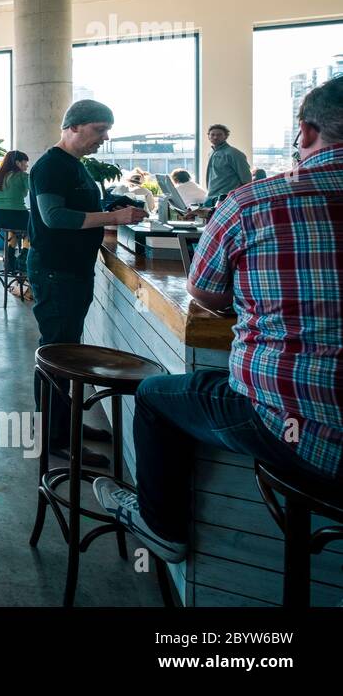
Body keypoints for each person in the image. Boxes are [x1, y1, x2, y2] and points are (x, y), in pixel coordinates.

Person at [94, 77, 343, 563]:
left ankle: (161, 527)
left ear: (307, 132)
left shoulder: (256, 201)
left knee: (156, 395)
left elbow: (204, 290)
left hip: (302, 428)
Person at [28, 100, 147, 470]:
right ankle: (54, 439)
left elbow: (76, 206)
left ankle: (67, 425)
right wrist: (113, 216)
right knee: (57, 355)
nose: (104, 138)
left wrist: (113, 204)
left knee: (66, 349)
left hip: (71, 269)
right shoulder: (50, 166)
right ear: (73, 127)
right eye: (99, 130)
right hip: (56, 270)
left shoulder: (73, 167)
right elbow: (55, 216)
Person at [0, 151, 31, 290]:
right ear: (18, 162)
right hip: (16, 216)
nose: (27, 165)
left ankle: (9, 257)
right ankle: (24, 256)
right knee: (34, 225)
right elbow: (35, 192)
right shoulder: (23, 176)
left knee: (13, 226)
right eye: (25, 162)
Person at [203, 124, 252, 204]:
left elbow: (246, 179)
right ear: (208, 136)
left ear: (226, 136)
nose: (215, 137)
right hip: (211, 197)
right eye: (212, 135)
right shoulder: (211, 153)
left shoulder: (234, 153)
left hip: (226, 199)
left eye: (219, 135)